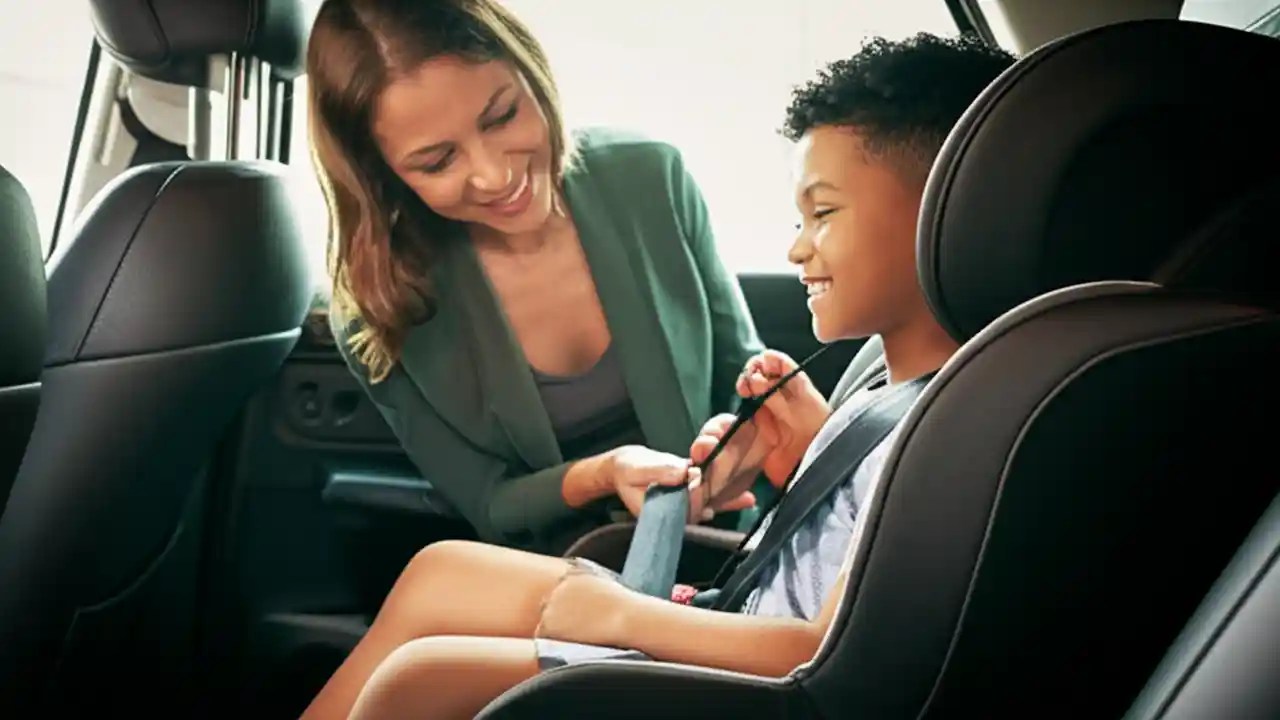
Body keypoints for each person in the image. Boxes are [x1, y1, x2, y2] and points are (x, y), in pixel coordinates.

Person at [298, 32, 1017, 720]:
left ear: (943, 214)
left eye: (821, 212)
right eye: (437, 159)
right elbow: (854, 541)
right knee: (440, 572)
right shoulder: (901, 391)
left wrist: (625, 614)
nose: (796, 248)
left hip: (750, 676)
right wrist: (811, 455)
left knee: (417, 681)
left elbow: (832, 651)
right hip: (726, 620)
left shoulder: (954, 433)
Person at [309, 0, 764, 556]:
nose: (495, 174)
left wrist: (732, 459)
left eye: (502, 116)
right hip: (558, 580)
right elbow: (489, 504)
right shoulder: (376, 311)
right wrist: (603, 473)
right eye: (437, 162)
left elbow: (748, 383)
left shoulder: (650, 176)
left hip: (724, 547)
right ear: (381, 176)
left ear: (531, 71)